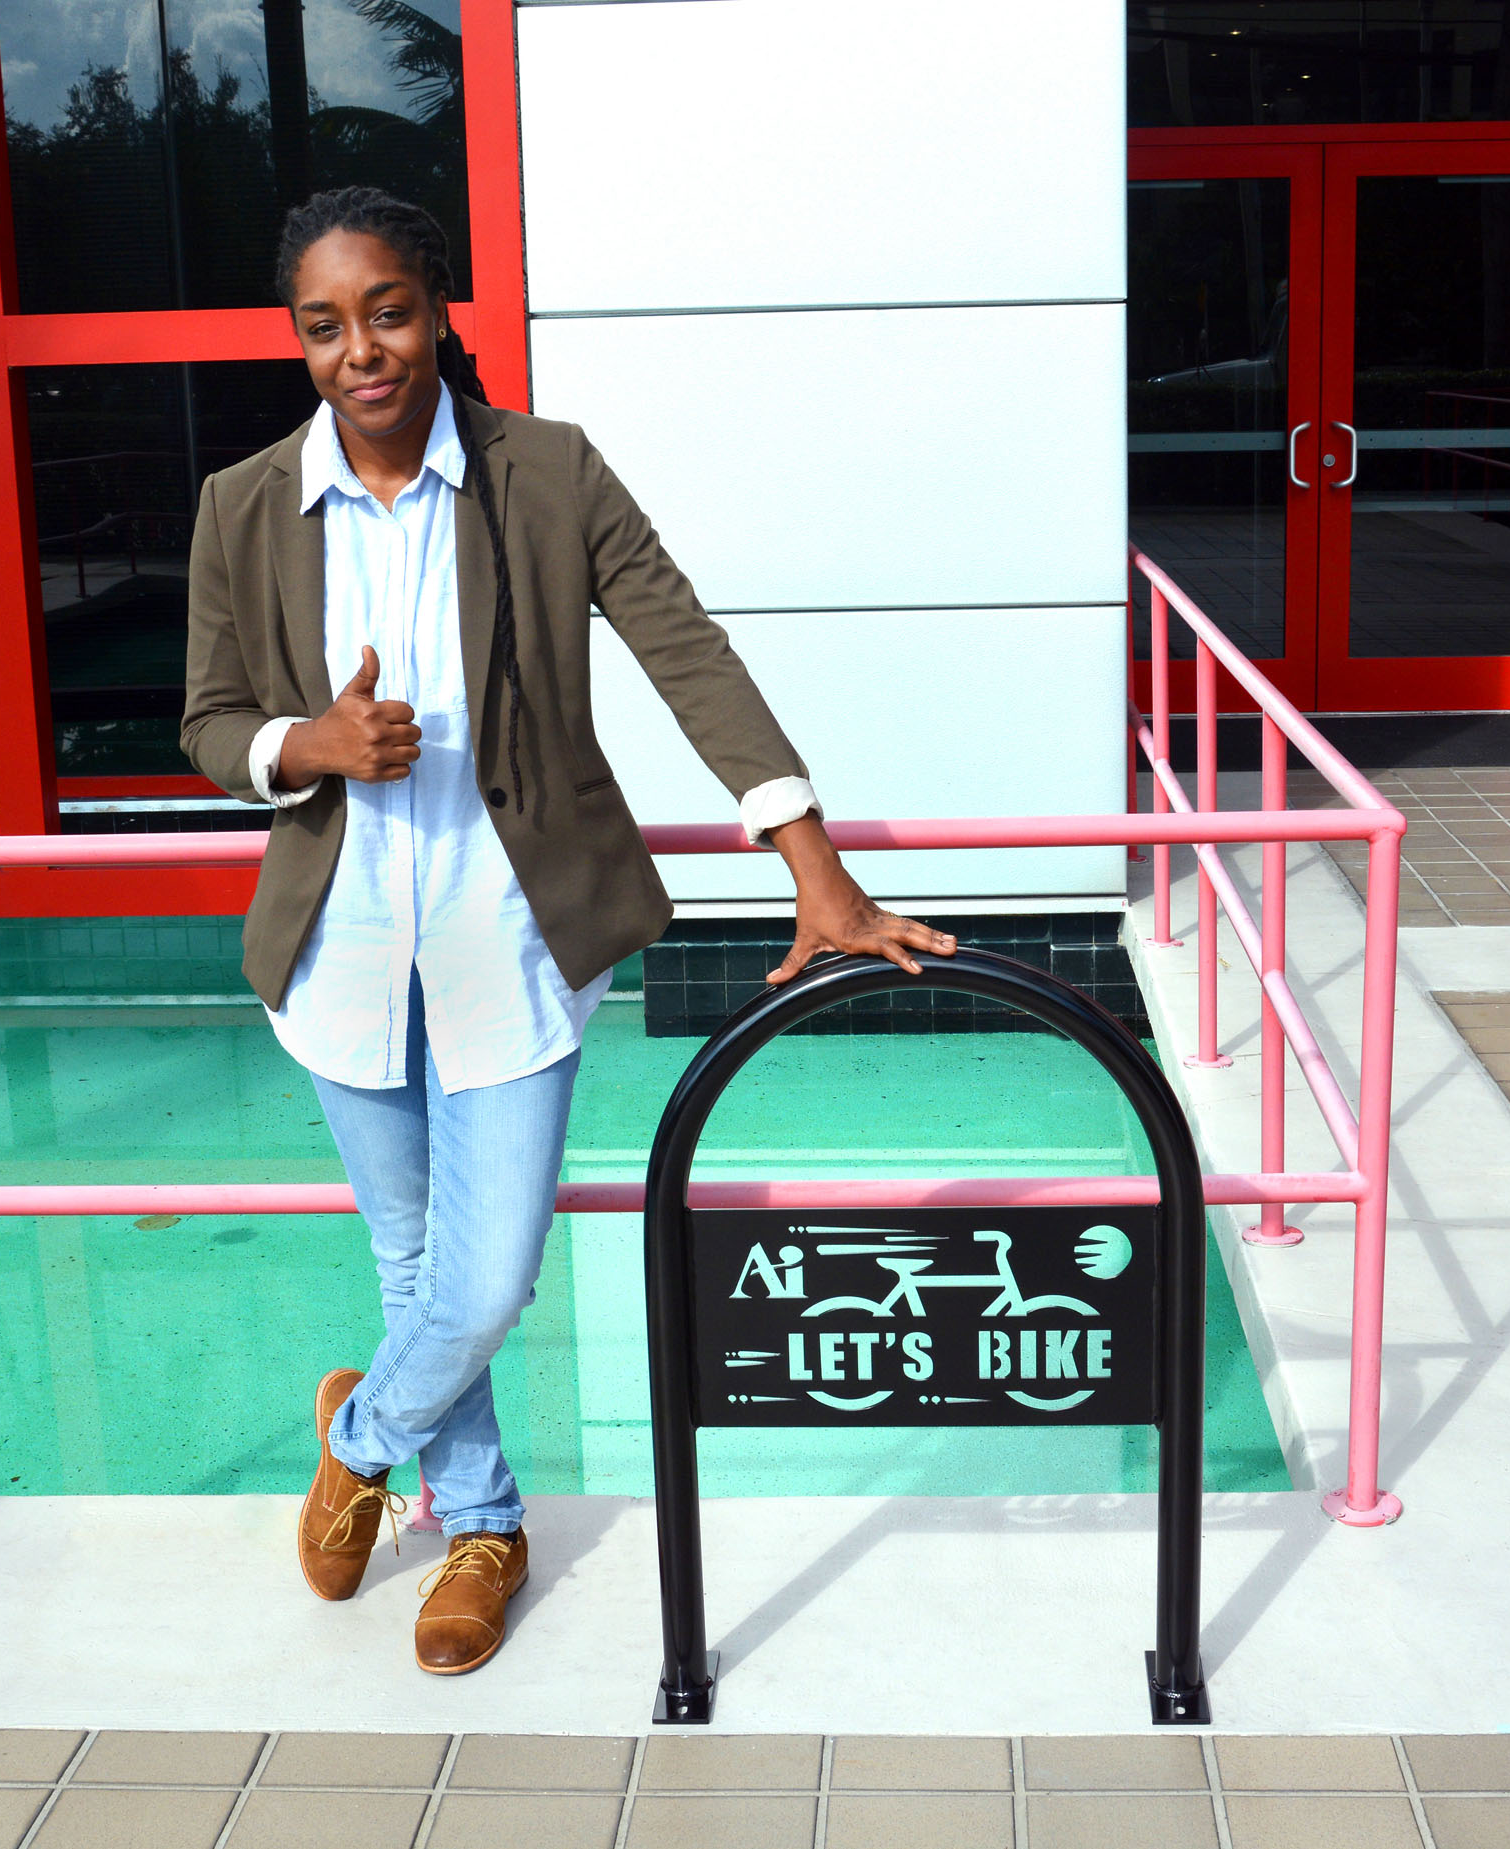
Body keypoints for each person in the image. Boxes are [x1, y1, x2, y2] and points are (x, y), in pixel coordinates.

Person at [181, 186, 954, 1675]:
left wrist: (815, 861)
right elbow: (211, 723)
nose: (363, 352)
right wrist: (311, 744)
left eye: (389, 310)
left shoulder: (547, 474)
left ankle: (359, 1436)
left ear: (441, 307)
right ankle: (480, 1521)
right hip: (340, 954)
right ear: (300, 341)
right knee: (415, 1271)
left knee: (483, 1281)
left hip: (509, 939)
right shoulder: (243, 506)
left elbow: (686, 647)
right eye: (325, 326)